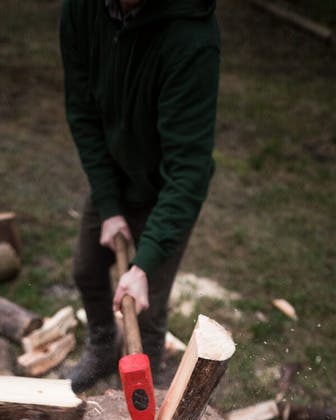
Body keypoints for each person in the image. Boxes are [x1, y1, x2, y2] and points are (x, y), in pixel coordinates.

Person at [60, 0, 220, 392]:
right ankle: (102, 350)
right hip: (114, 172)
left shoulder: (192, 39)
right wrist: (110, 206)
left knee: (147, 309)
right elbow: (82, 112)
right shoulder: (82, 9)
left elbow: (188, 169)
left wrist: (144, 264)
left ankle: (144, 385)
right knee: (86, 270)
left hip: (169, 189)